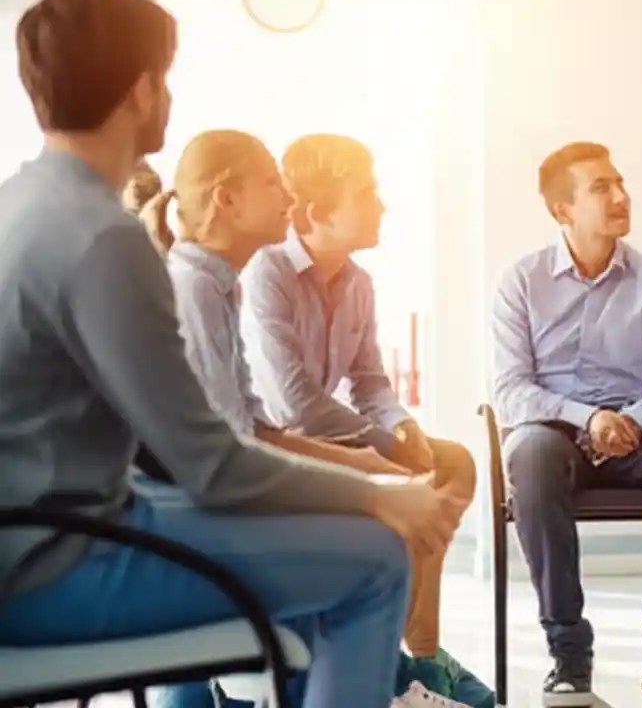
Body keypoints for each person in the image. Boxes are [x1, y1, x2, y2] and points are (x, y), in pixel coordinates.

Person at [0, 0, 462, 708]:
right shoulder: (102, 238)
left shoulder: (20, 206)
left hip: (45, 538)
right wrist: (378, 495)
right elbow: (214, 467)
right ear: (144, 89)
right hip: (54, 568)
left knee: (333, 529)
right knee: (373, 561)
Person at [139, 131, 491, 707]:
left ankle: (401, 668)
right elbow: (256, 432)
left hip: (217, 485)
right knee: (372, 545)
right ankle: (387, 682)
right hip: (193, 508)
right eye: (273, 183)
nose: (287, 195)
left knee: (427, 476)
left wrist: (383, 446)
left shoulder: (213, 283)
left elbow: (250, 423)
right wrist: (365, 471)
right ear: (227, 200)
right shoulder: (204, 286)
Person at [491, 141, 642, 707]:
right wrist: (588, 419)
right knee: (527, 452)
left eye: (620, 183)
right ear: (562, 210)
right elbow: (511, 391)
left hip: (639, 433)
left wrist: (627, 420)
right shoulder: (521, 282)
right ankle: (568, 653)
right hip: (554, 433)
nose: (621, 196)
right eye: (601, 188)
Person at [239, 133, 480, 686]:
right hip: (282, 446)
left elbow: (369, 378)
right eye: (367, 192)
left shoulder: (359, 283)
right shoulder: (266, 273)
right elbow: (294, 403)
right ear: (319, 213)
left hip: (341, 440)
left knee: (453, 463)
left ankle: (417, 651)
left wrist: (402, 423)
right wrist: (385, 444)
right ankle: (401, 666)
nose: (382, 205)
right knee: (412, 481)